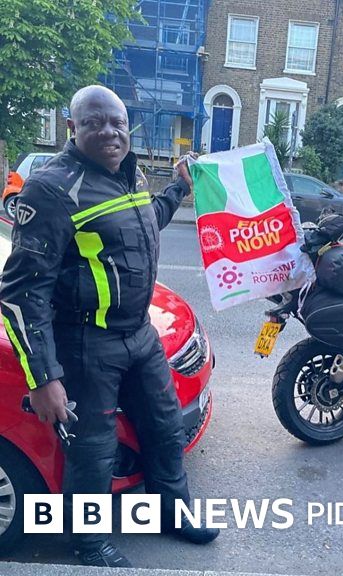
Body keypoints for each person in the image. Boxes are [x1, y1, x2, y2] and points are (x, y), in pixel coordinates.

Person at [0, 85, 219, 567]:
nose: (109, 132)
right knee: (93, 453)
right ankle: (88, 544)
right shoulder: (53, 189)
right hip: (85, 345)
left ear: (128, 126)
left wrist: (180, 188)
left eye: (117, 123)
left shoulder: (129, 174)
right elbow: (20, 293)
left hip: (139, 335)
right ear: (73, 128)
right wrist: (43, 377)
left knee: (163, 430)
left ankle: (171, 513)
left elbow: (147, 221)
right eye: (95, 123)